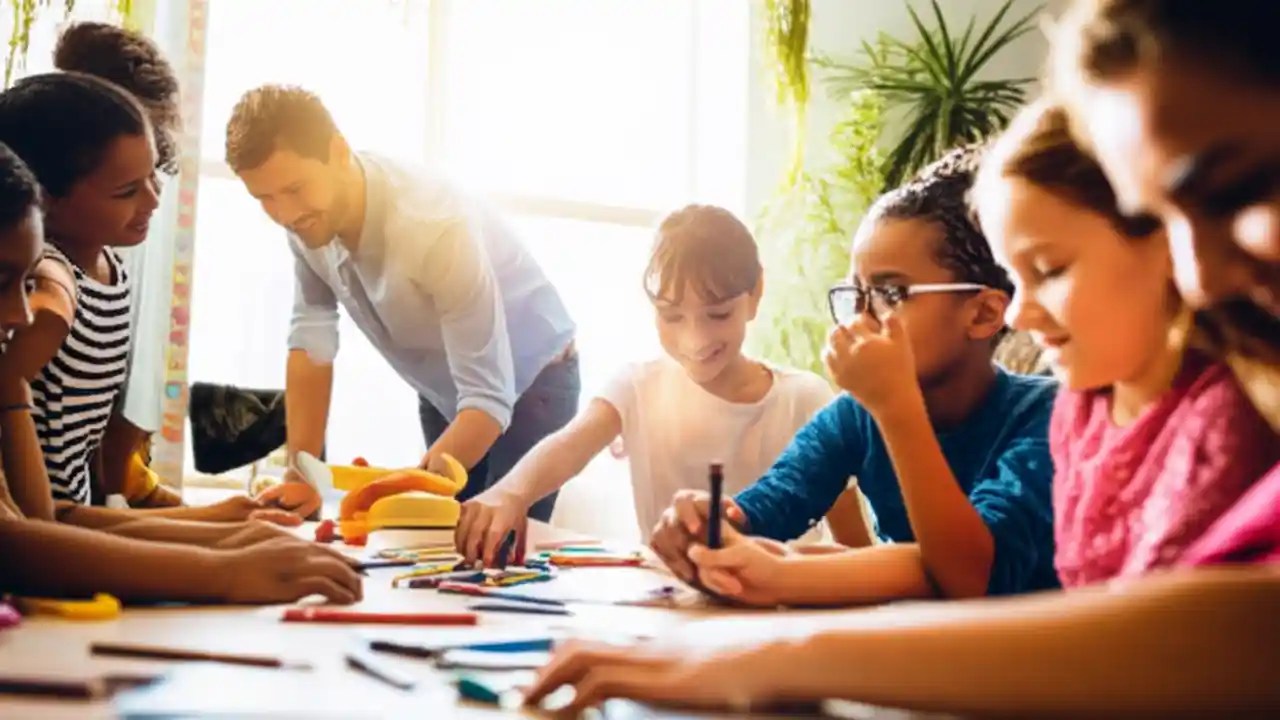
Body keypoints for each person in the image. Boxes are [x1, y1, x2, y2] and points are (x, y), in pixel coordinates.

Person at [522, 4, 1280, 702]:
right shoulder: (1084, 415)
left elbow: (996, 582)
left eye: (1241, 192)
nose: (1202, 275)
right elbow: (844, 535)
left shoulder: (1159, 412)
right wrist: (757, 557)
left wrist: (770, 646)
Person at [651, 148, 1059, 606]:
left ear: (983, 313)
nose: (859, 319)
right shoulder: (857, 416)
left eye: (889, 293)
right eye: (855, 294)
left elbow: (974, 578)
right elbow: (775, 501)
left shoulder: (1049, 418)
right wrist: (711, 525)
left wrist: (897, 407)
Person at [0, 140, 362, 605]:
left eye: (26, 284)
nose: (22, 315)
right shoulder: (55, 302)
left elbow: (41, 520)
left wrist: (222, 533)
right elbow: (17, 545)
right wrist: (221, 567)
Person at [223, 85, 578, 521]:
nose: (284, 214)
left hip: (534, 383)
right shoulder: (303, 220)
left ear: (337, 151)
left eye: (294, 188)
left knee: (491, 547)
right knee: (436, 541)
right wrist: (301, 477)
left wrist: (380, 499)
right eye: (265, 199)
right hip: (444, 386)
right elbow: (311, 342)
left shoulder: (433, 224)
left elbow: (488, 397)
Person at [975, 102, 1274, 587]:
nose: (1016, 312)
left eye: (1049, 270)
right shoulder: (1079, 410)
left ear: (1166, 241)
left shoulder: (1227, 416)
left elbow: (1167, 631)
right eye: (1013, 278)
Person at [454, 205, 834, 566]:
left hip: (784, 611)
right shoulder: (638, 385)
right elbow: (569, 445)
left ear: (755, 295)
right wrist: (511, 492)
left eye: (718, 314)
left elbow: (855, 548)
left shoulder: (805, 398)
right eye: (672, 316)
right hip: (672, 608)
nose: (695, 339)